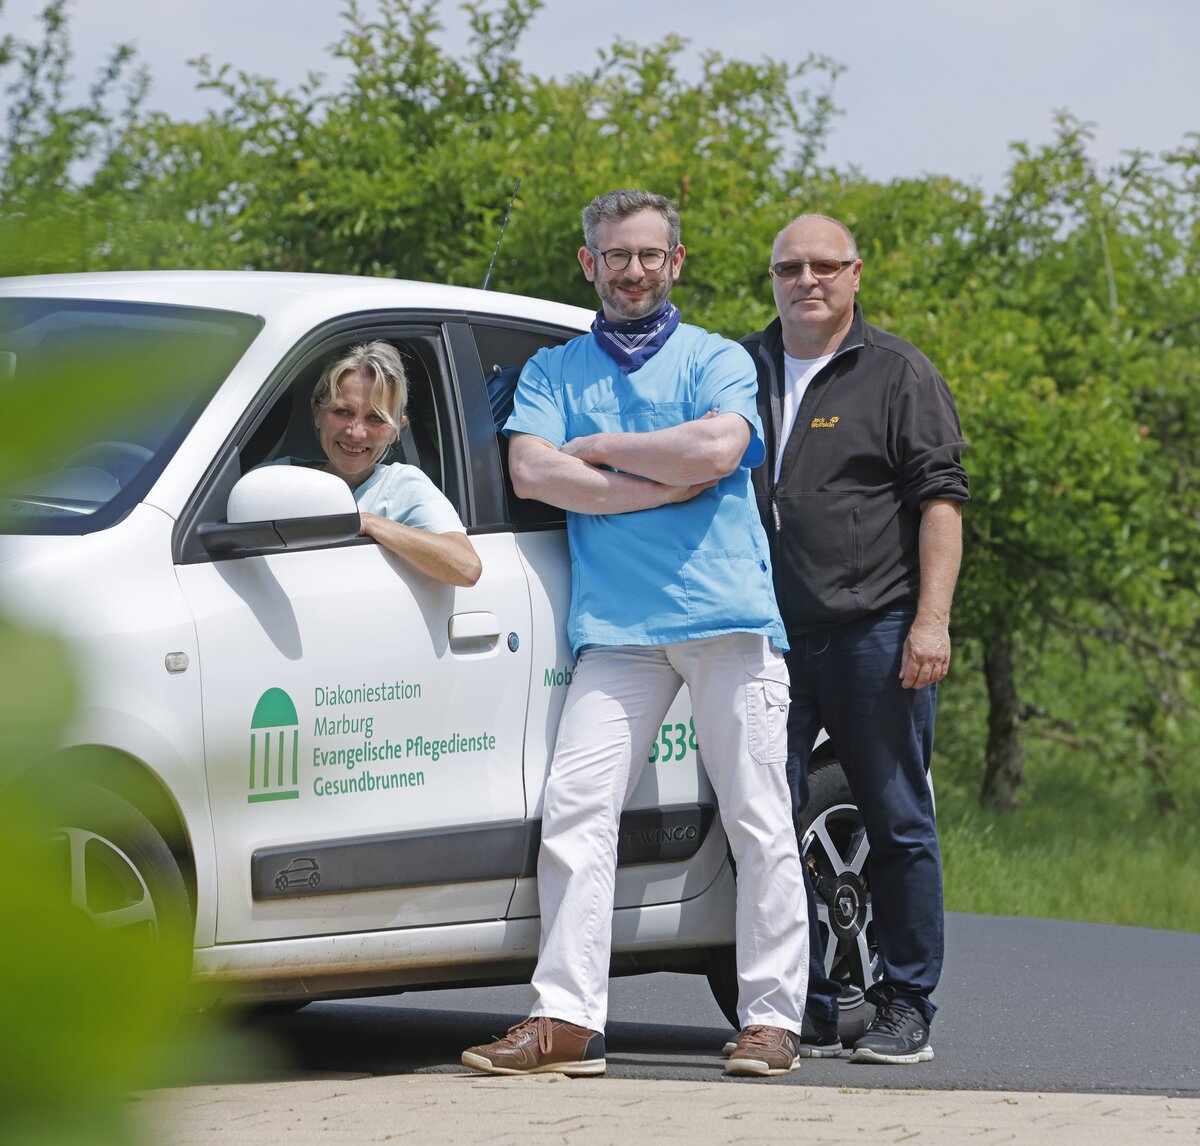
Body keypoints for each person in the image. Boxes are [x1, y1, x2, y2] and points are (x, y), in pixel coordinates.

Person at [461, 189, 810, 1078]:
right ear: (590, 265)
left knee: (758, 819)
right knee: (577, 813)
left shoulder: (717, 358)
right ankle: (568, 1022)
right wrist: (656, 479)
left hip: (727, 619)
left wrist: (603, 448)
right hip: (616, 632)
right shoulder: (552, 372)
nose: (634, 271)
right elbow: (535, 472)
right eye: (616, 256)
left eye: (650, 255)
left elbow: (717, 453)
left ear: (676, 263)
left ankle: (771, 1022)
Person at [741, 214, 969, 1065]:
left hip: (877, 628)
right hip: (766, 635)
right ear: (771, 277)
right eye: (790, 267)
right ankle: (803, 999)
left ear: (856, 274)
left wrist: (931, 622)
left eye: (825, 267)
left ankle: (906, 1005)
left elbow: (941, 503)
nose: (808, 280)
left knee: (896, 818)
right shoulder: (743, 365)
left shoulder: (898, 373)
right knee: (765, 819)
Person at [270, 341, 481, 588]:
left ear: (396, 430)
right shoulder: (278, 477)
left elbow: (466, 566)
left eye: (375, 418)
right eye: (342, 412)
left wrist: (367, 522)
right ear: (317, 412)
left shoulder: (401, 484)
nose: (356, 433)